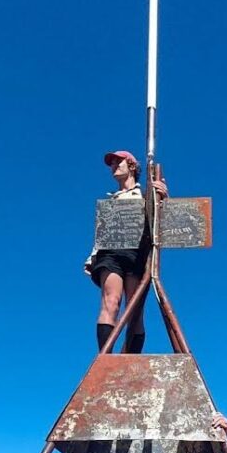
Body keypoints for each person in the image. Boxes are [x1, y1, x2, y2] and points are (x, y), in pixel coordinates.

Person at [83, 150, 166, 353]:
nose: (114, 166)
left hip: (137, 253)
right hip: (111, 254)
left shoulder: (146, 196)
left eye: (118, 161)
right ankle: (105, 358)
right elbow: (103, 233)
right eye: (112, 163)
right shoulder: (111, 201)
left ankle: (130, 357)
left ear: (131, 165)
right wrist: (92, 257)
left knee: (134, 311)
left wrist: (163, 199)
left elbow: (162, 223)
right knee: (111, 301)